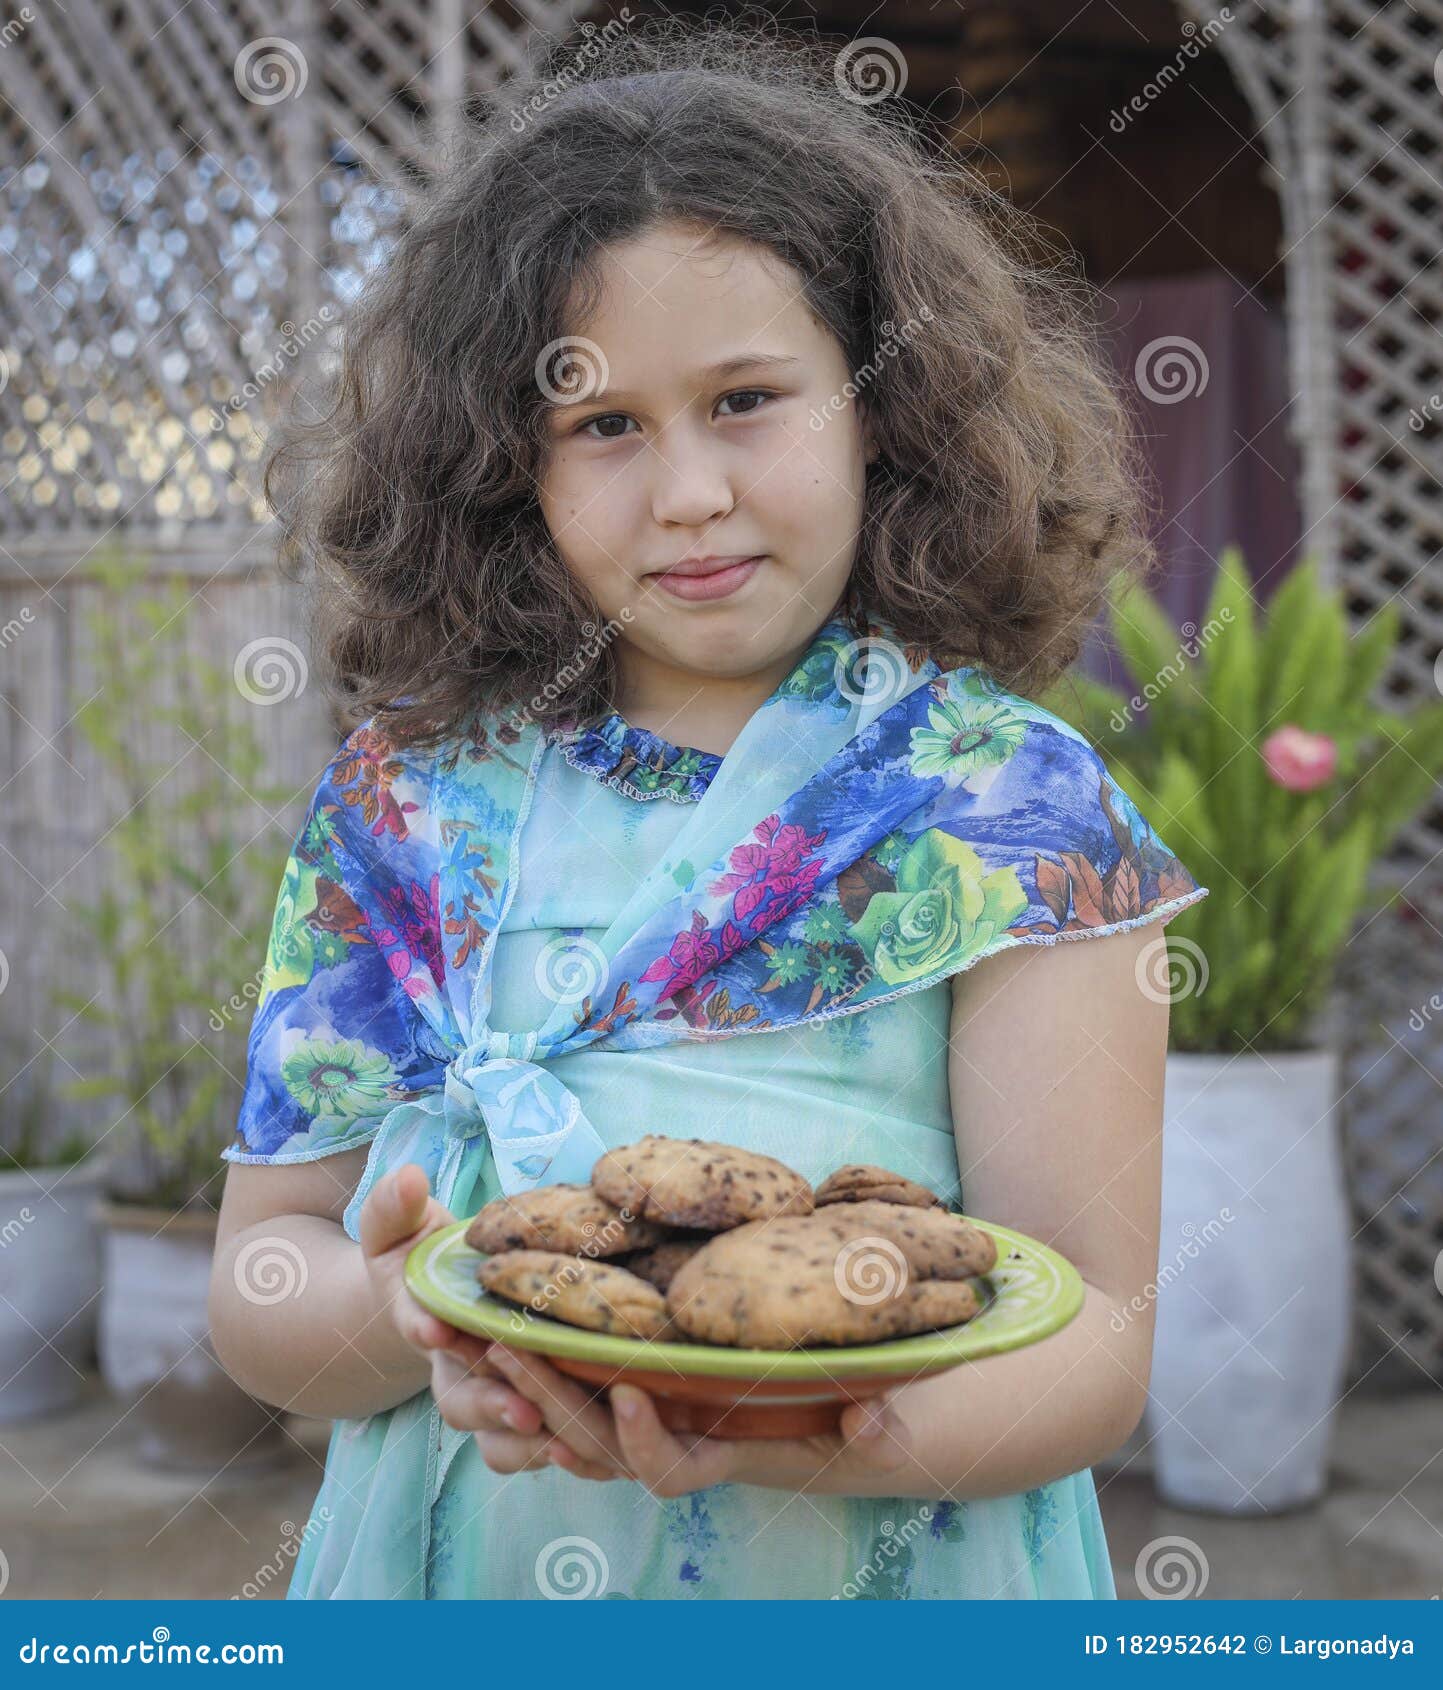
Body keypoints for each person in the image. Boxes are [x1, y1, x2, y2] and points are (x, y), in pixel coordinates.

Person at [208, 19, 1208, 1599]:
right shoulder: (408, 802)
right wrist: (399, 1315)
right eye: (602, 424)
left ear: (880, 405)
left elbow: (1095, 1334)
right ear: (503, 466)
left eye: (747, 400)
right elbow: (263, 1287)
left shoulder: (1007, 807)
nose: (686, 493)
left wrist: (832, 1435)